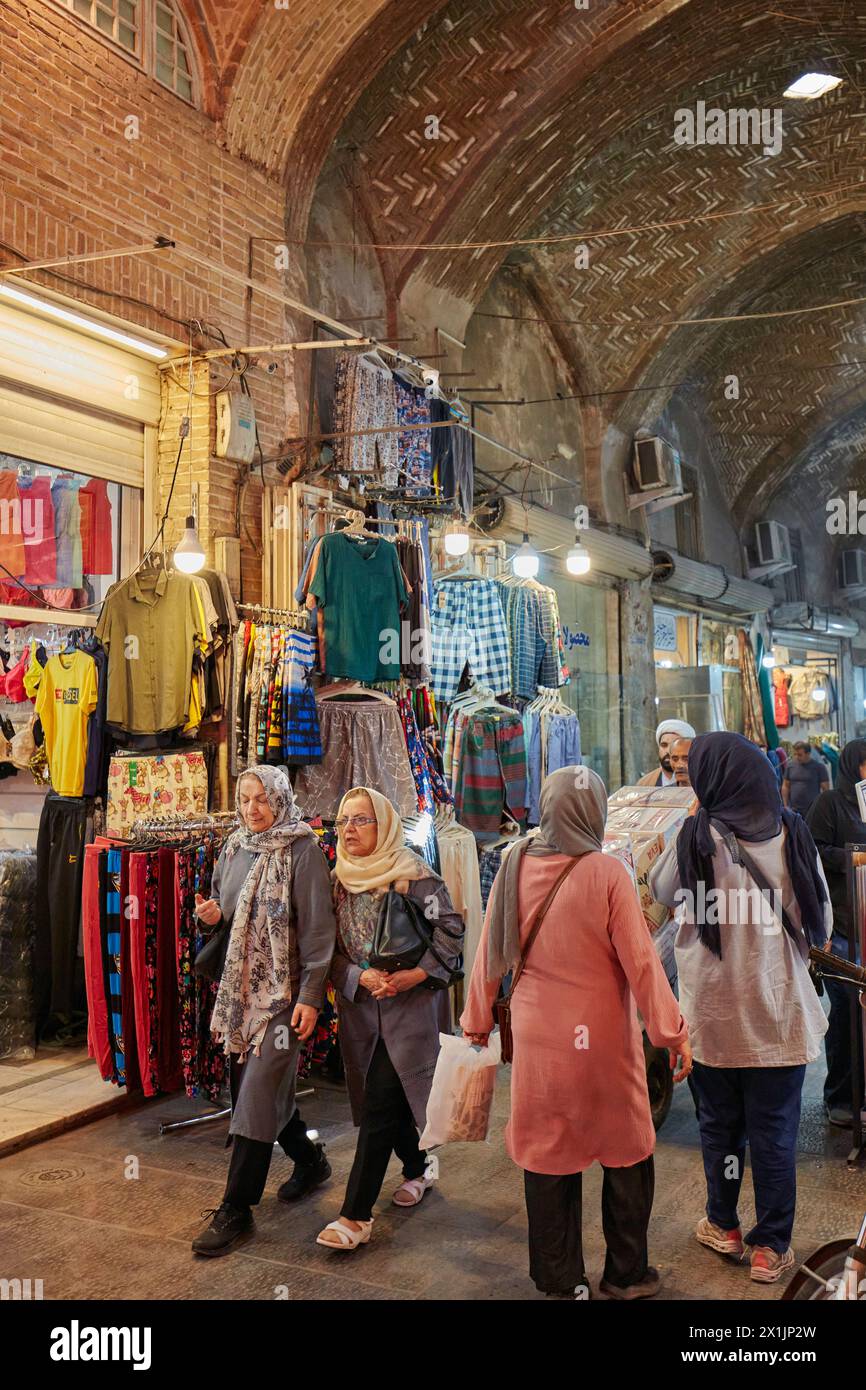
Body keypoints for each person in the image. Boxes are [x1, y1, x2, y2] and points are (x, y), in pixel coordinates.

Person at [461, 766, 692, 1301]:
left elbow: (487, 957)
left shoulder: (514, 862)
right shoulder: (607, 872)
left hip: (541, 1040)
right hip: (604, 1042)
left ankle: (560, 1280)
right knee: (627, 1150)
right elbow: (641, 964)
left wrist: (475, 1022)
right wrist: (670, 1030)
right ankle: (625, 1274)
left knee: (547, 1155)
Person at [650, 733, 832, 1284]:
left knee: (721, 1129)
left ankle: (724, 1224)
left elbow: (660, 890)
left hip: (714, 1016)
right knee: (775, 1132)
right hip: (776, 1010)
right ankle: (770, 1245)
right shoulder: (790, 831)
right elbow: (816, 904)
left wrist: (692, 820)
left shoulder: (695, 834)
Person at [191, 767, 337, 1257]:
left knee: (254, 1093)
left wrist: (311, 997)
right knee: (260, 1092)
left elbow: (318, 933)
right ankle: (310, 1159)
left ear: (280, 799)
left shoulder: (304, 850)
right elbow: (226, 906)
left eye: (261, 799)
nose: (253, 809)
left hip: (282, 995)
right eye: (245, 798)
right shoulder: (235, 846)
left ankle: (236, 1207)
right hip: (240, 991)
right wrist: (213, 913)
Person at [317, 786, 464, 1251]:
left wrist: (415, 975)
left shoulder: (415, 876)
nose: (350, 830)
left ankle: (355, 1216)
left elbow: (452, 929)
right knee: (392, 1094)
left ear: (385, 825)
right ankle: (419, 1168)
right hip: (362, 1011)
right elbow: (328, 951)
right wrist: (359, 977)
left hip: (410, 1009)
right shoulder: (337, 879)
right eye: (344, 821)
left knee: (381, 1101)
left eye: (361, 820)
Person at [805, 738, 866, 1127]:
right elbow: (811, 851)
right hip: (843, 925)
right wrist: (851, 856)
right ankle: (840, 1095)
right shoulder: (829, 804)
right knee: (845, 1013)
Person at [638, 719, 696, 787]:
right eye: (664, 745)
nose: (668, 751)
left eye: (674, 745)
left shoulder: (705, 782)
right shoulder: (644, 783)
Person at [782, 741, 829, 816]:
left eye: (800, 755)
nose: (797, 757)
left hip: (812, 809)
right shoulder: (790, 766)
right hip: (794, 810)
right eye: (795, 754)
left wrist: (824, 807)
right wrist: (785, 805)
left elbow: (825, 790)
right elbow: (785, 786)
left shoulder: (819, 767)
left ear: (808, 754)